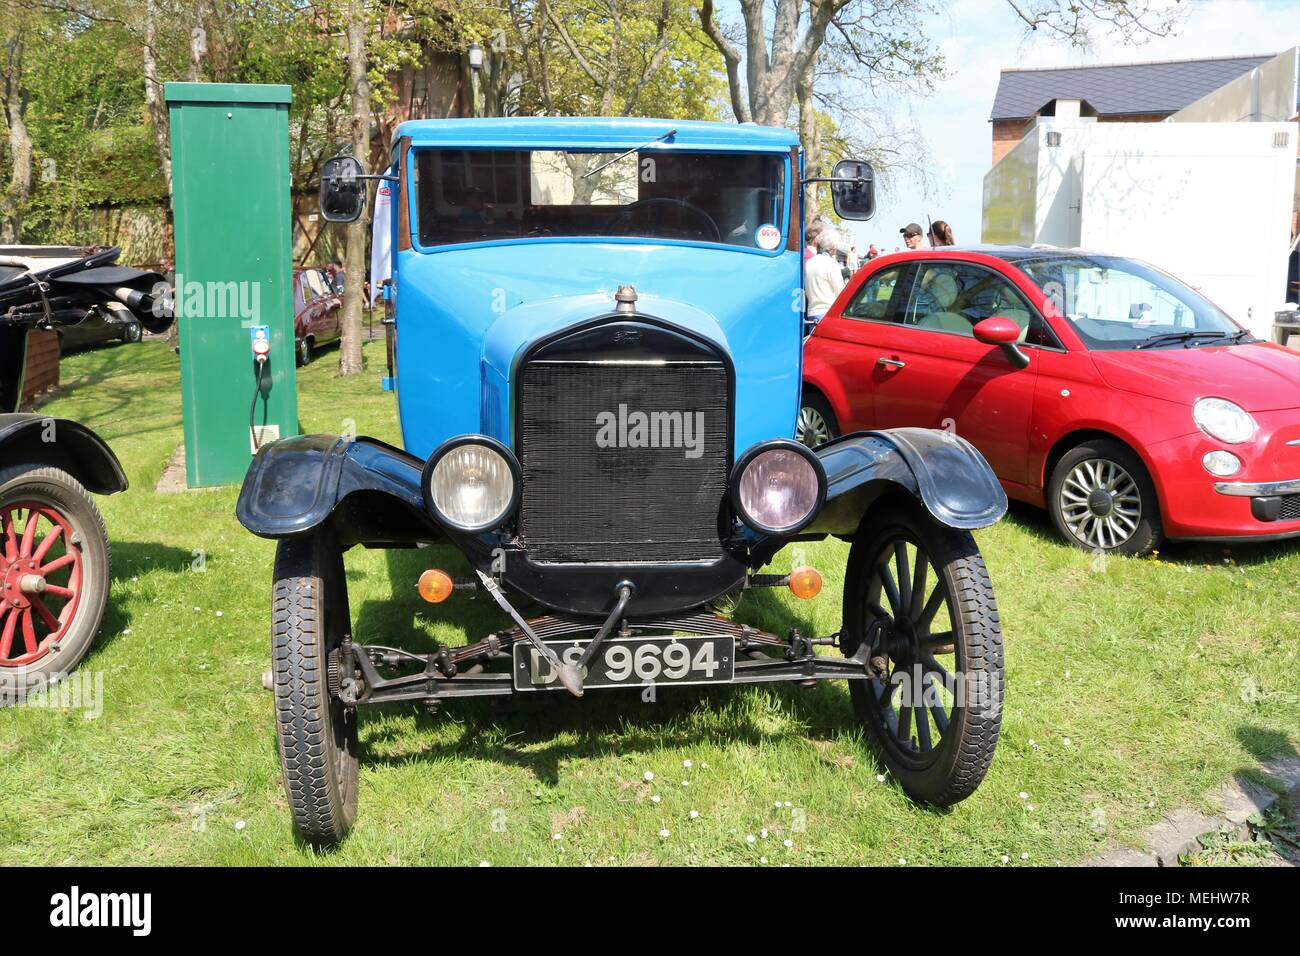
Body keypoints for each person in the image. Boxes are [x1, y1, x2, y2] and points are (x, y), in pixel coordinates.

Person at [805, 230, 846, 335]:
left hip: (812, 312)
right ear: (833, 247)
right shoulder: (831, 264)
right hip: (828, 312)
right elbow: (841, 292)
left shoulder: (809, 262)